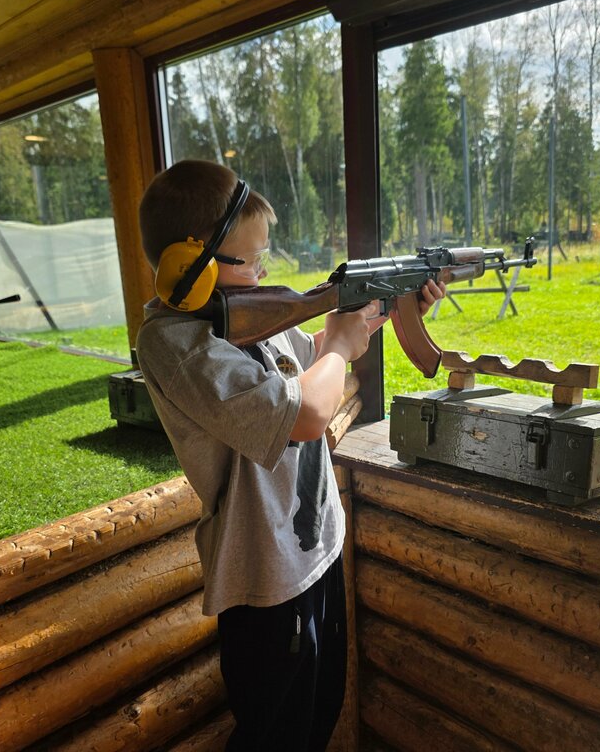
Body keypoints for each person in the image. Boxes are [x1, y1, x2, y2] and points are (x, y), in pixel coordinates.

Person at [135, 159, 444, 751]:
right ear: (187, 265)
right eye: (252, 259)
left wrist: (384, 312)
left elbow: (319, 354)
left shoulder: (255, 313)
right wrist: (345, 349)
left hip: (316, 550)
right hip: (265, 578)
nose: (265, 269)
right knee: (276, 735)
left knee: (319, 712)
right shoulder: (177, 343)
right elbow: (306, 413)